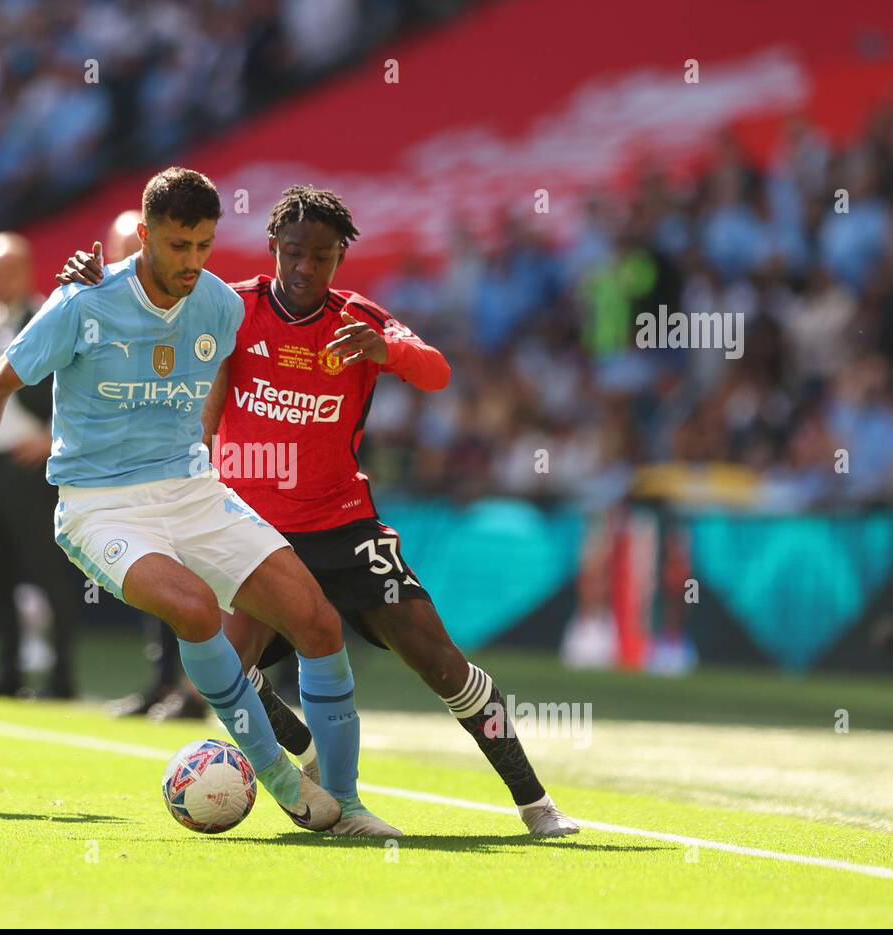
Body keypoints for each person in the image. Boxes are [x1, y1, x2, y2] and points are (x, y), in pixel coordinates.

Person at [58, 185, 579, 837]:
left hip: (345, 530)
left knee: (442, 662)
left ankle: (535, 804)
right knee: (228, 679)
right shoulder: (230, 307)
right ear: (274, 248)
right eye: (296, 254)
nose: (306, 269)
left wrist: (391, 351)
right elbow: (150, 293)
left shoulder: (358, 319)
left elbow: (439, 372)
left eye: (323, 257)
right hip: (252, 534)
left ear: (339, 259)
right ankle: (315, 775)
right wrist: (92, 281)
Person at [0, 167, 396, 836]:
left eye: (204, 245)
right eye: (178, 245)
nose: (192, 262)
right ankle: (282, 776)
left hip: (191, 489)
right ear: (143, 236)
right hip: (99, 504)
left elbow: (271, 352)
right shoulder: (81, 304)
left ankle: (346, 805)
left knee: (317, 622)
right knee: (196, 609)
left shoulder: (219, 305)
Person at [98, 210, 203, 721]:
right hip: (131, 471)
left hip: (187, 467)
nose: (126, 266)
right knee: (156, 581)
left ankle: (201, 688)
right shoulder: (98, 309)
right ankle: (165, 682)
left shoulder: (192, 305)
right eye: (118, 255)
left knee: (201, 579)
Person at [0, 231, 78, 699]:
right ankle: (9, 671)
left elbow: (79, 382)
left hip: (33, 466)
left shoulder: (49, 315)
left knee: (49, 572)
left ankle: (62, 677)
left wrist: (54, 435)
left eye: (9, 269)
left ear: (29, 270)